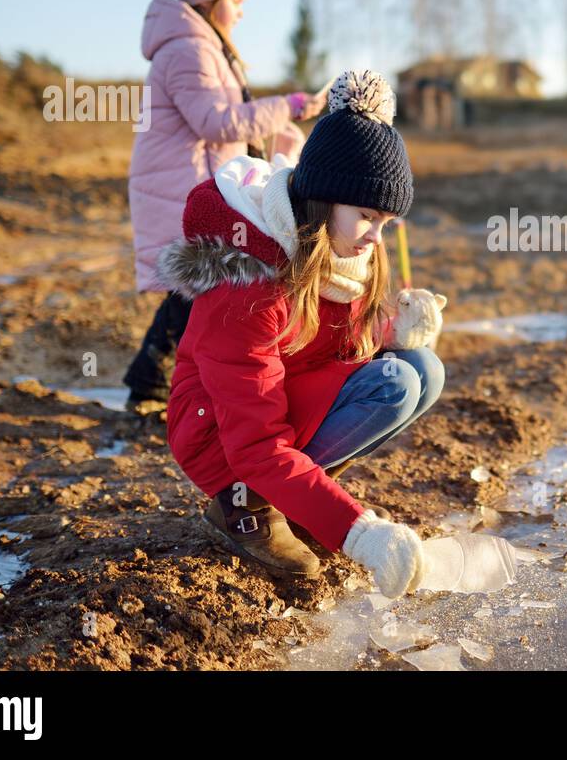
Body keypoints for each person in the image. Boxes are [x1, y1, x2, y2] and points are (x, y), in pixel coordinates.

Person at [156, 70, 442, 597]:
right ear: (324, 199)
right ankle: (243, 503)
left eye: (386, 224)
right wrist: (359, 532)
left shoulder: (336, 257)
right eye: (367, 217)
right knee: (395, 384)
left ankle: (299, 497)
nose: (375, 238)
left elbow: (324, 349)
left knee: (422, 368)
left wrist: (392, 329)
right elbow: (256, 442)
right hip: (220, 438)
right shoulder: (248, 286)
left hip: (281, 397)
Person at [123, 0, 326, 410]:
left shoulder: (203, 48)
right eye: (237, 1)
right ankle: (154, 387)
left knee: (193, 290)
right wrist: (293, 104)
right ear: (210, 1)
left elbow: (226, 125)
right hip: (182, 189)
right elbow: (216, 121)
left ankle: (154, 386)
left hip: (192, 183)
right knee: (195, 290)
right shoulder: (189, 50)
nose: (240, 12)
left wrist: (275, 131)